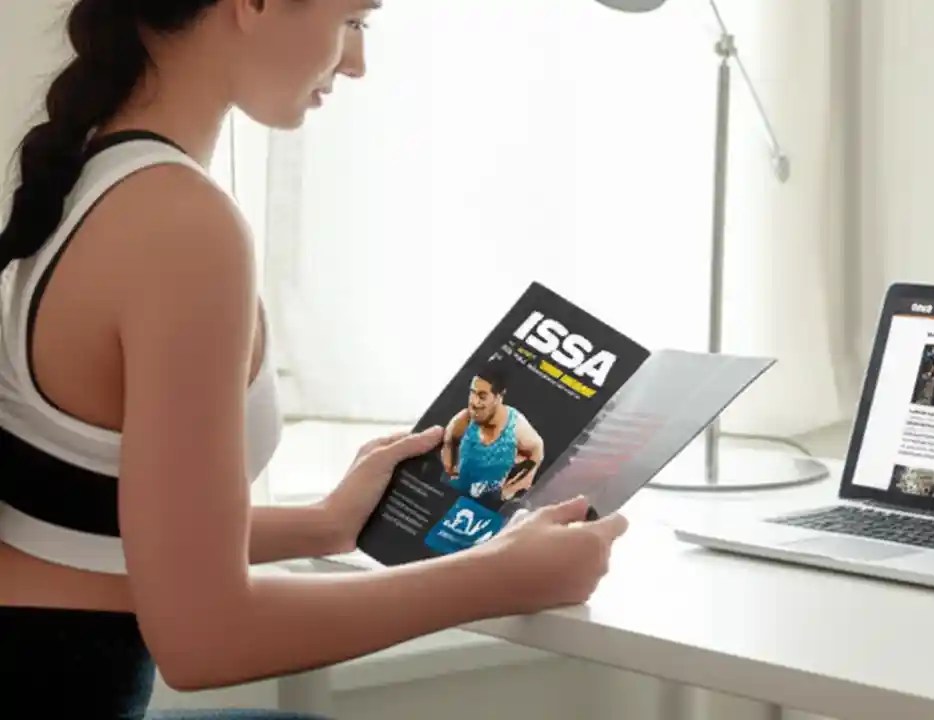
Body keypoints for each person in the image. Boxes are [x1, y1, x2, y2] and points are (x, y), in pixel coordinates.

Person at [0, 1, 628, 718]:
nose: (356, 62)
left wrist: (323, 524)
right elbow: (206, 637)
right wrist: (501, 576)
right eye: (354, 19)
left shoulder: (100, 177)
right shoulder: (179, 224)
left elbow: (89, 514)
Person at [441, 362, 545, 504]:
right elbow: (448, 445)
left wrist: (511, 489)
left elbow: (537, 450)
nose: (474, 403)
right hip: (455, 494)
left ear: (498, 397)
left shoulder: (516, 426)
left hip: (489, 502)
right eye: (472, 393)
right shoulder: (461, 421)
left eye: (482, 396)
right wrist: (451, 470)